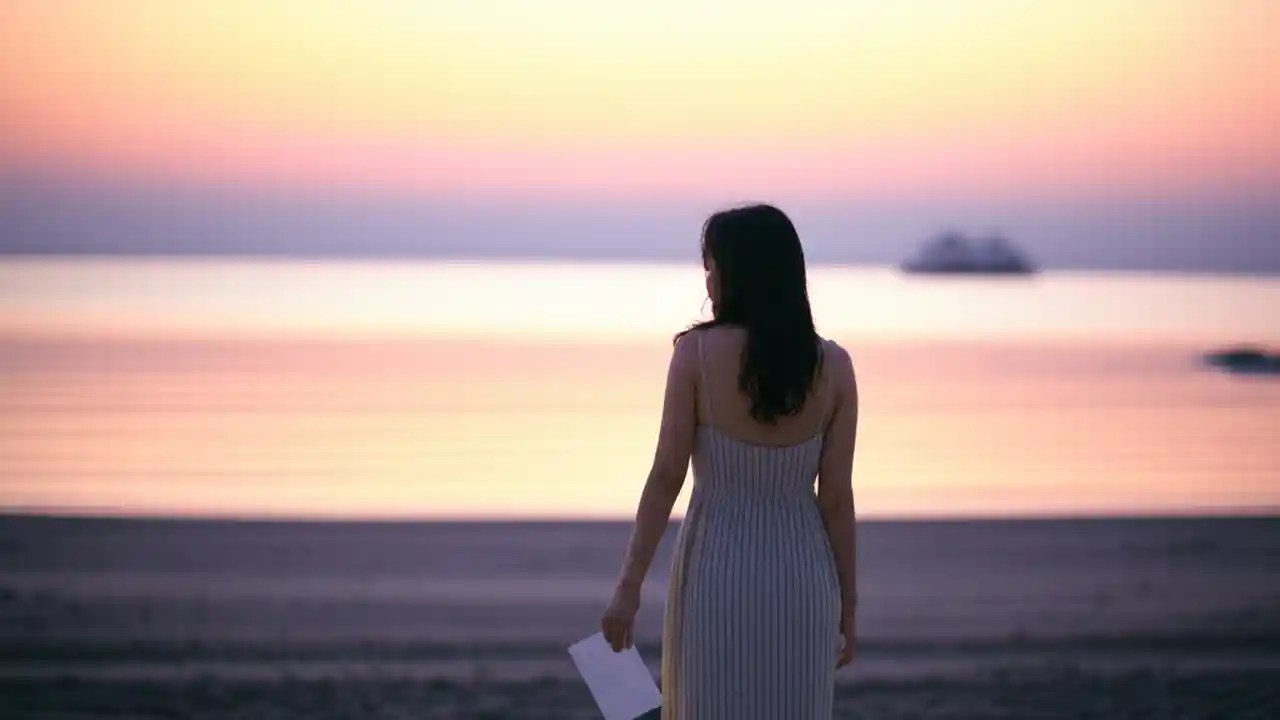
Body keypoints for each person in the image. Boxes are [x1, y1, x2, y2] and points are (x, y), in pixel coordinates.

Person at [601, 204, 860, 718]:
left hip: (714, 578)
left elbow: (665, 477)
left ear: (736, 273)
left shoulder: (695, 355)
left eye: (712, 266)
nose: (708, 280)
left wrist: (627, 589)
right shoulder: (834, 365)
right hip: (804, 583)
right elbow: (835, 498)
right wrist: (848, 606)